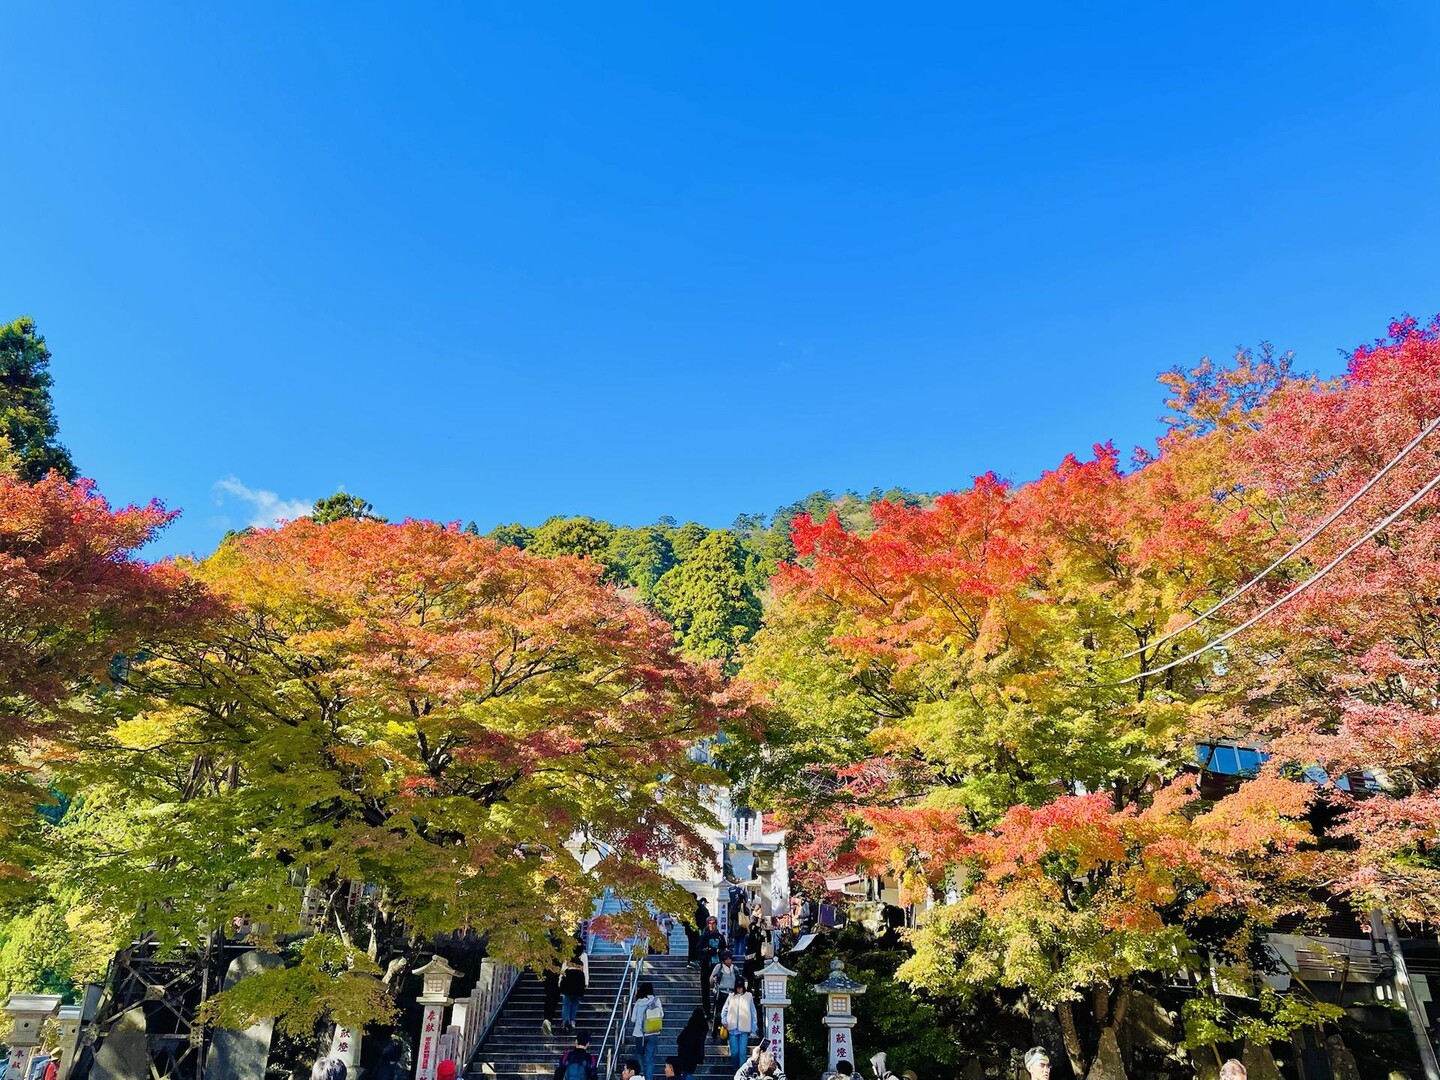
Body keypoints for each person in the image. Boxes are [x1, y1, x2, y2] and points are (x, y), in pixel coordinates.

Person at [629, 980, 664, 1080]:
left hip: (639, 1034)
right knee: (649, 1059)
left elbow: (633, 1019)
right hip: (653, 1032)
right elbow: (661, 1014)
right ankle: (648, 1078)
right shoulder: (656, 1000)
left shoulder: (638, 1002)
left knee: (640, 1054)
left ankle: (641, 1075)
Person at [722, 981, 758, 1069]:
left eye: (741, 987)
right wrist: (724, 1021)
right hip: (732, 1028)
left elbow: (753, 1012)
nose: (739, 989)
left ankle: (742, 1072)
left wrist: (754, 1028)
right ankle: (735, 1069)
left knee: (742, 1052)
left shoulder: (748, 996)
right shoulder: (731, 996)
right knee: (734, 1052)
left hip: (744, 1029)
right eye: (738, 987)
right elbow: (725, 1010)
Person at [697, 917, 726, 1017]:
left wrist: (719, 951)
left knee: (719, 989)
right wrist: (709, 950)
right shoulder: (704, 936)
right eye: (710, 923)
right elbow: (699, 950)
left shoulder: (720, 937)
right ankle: (707, 1010)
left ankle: (717, 1010)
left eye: (713, 923)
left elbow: (724, 949)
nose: (712, 926)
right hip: (707, 965)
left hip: (717, 965)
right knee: (705, 989)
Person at [710, 952, 740, 1032]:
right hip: (721, 992)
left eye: (730, 959)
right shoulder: (719, 967)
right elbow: (711, 979)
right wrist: (715, 979)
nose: (728, 961)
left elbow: (738, 981)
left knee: (731, 1013)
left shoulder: (735, 969)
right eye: (726, 959)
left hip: (731, 993)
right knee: (718, 1013)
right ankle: (715, 1031)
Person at [676, 1008, 707, 1080]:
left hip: (684, 1053)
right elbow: (701, 1044)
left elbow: (679, 1040)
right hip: (695, 1055)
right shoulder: (702, 1030)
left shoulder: (688, 1029)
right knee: (689, 1072)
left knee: (685, 1072)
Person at [559, 955, 588, 1031]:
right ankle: (572, 1020)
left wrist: (561, 987)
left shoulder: (567, 972)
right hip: (577, 992)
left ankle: (566, 1020)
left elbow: (562, 982)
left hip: (567, 991)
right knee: (575, 1004)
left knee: (566, 1005)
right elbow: (583, 984)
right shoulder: (581, 974)